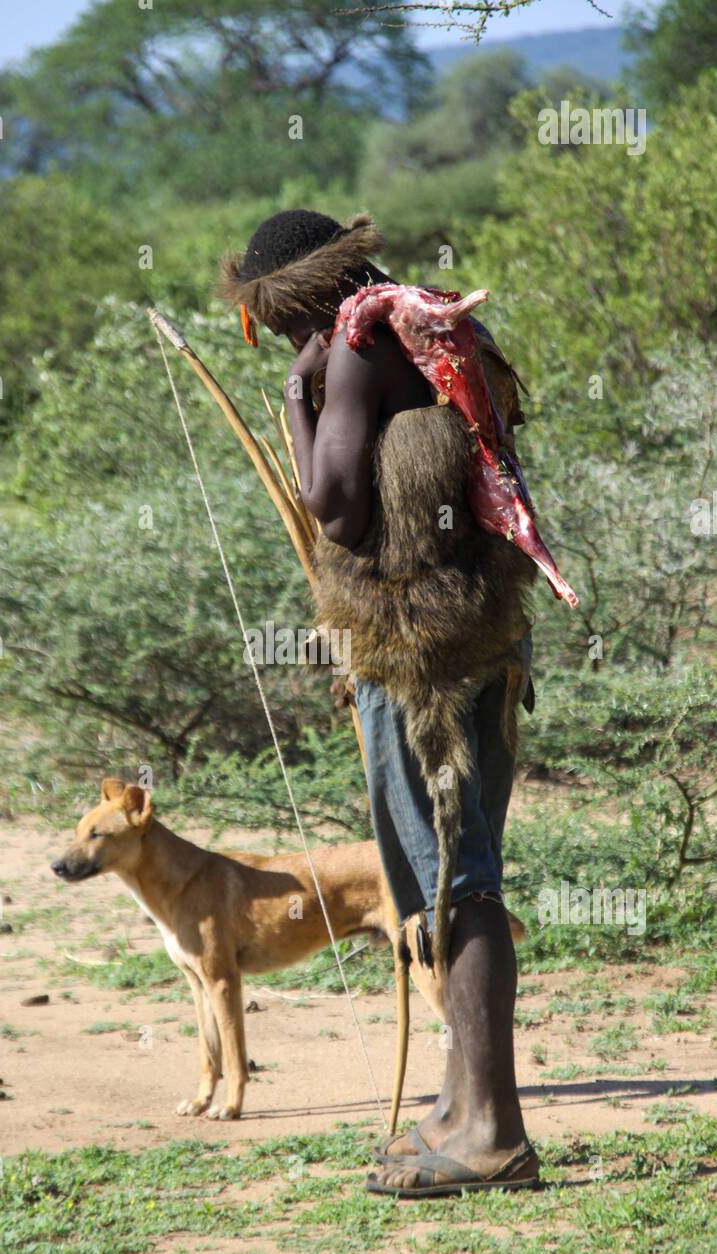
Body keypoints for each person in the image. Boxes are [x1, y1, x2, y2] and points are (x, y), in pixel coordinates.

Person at [221, 209, 539, 1197]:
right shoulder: (415, 324)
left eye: (280, 328)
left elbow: (334, 502)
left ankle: (489, 1131)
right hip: (469, 636)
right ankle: (457, 1106)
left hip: (421, 660)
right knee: (435, 874)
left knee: (457, 877)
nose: (285, 345)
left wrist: (293, 391)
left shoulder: (358, 340)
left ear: (308, 299)